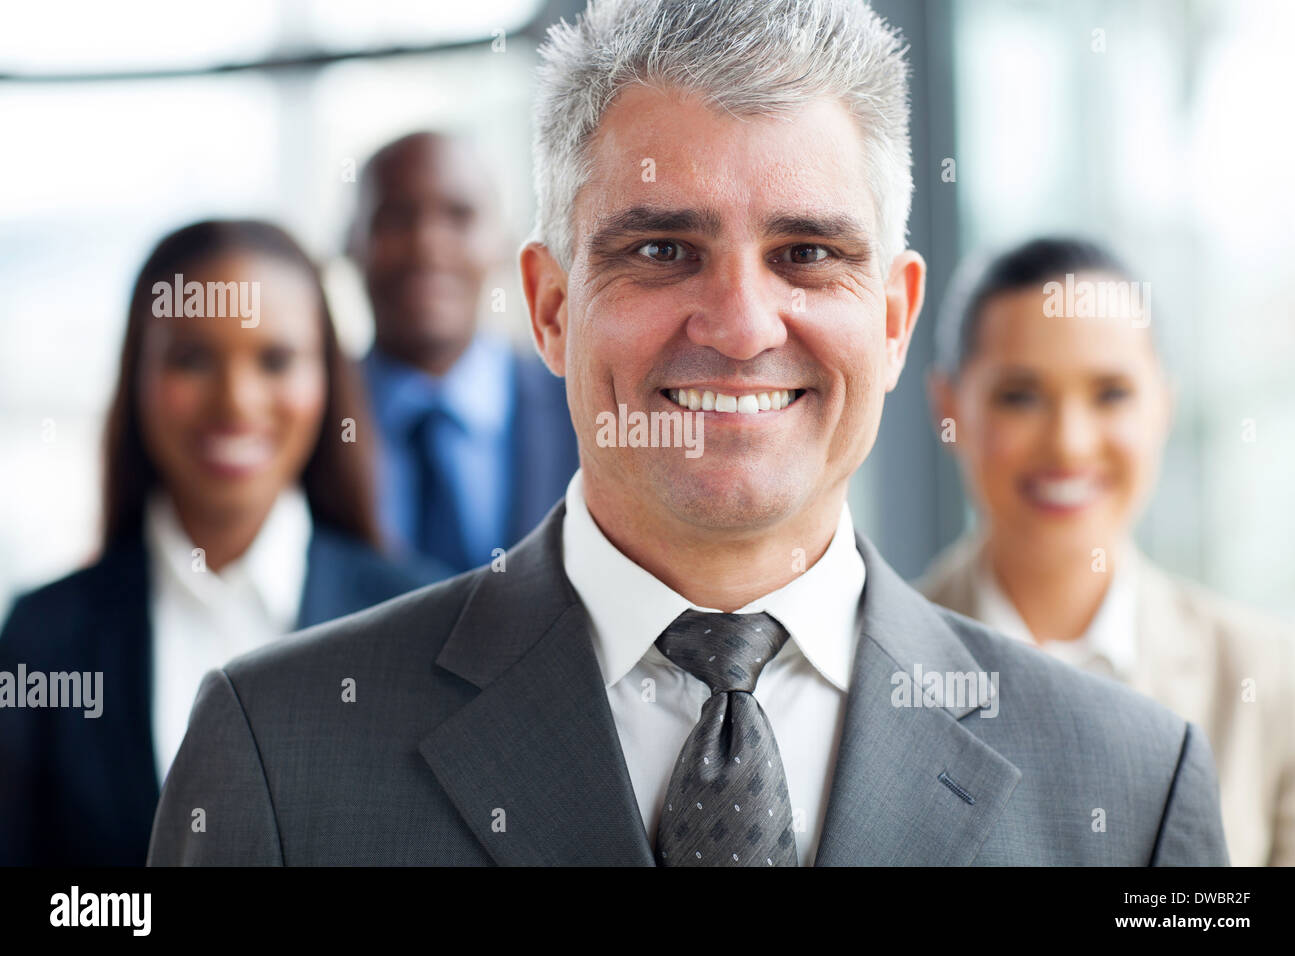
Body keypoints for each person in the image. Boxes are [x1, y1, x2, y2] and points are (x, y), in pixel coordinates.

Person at [149, 0, 1228, 866]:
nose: (742, 326)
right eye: (663, 251)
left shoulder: (1131, 787)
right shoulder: (277, 749)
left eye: (807, 253)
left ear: (896, 319)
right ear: (552, 309)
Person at [0, 219, 439, 866]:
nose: (236, 402)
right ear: (138, 375)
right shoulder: (44, 638)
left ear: (327, 380)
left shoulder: (427, 625)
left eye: (275, 360)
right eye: (193, 359)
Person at [917, 236, 1295, 866]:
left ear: (1164, 406)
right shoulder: (875, 665)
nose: (1069, 444)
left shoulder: (1268, 678)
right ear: (948, 407)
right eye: (1021, 396)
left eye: (1112, 394)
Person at [349, 130, 578, 574]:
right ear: (351, 243)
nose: (427, 246)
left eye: (459, 215)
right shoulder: (308, 416)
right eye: (395, 217)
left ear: (504, 243)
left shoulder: (581, 408)